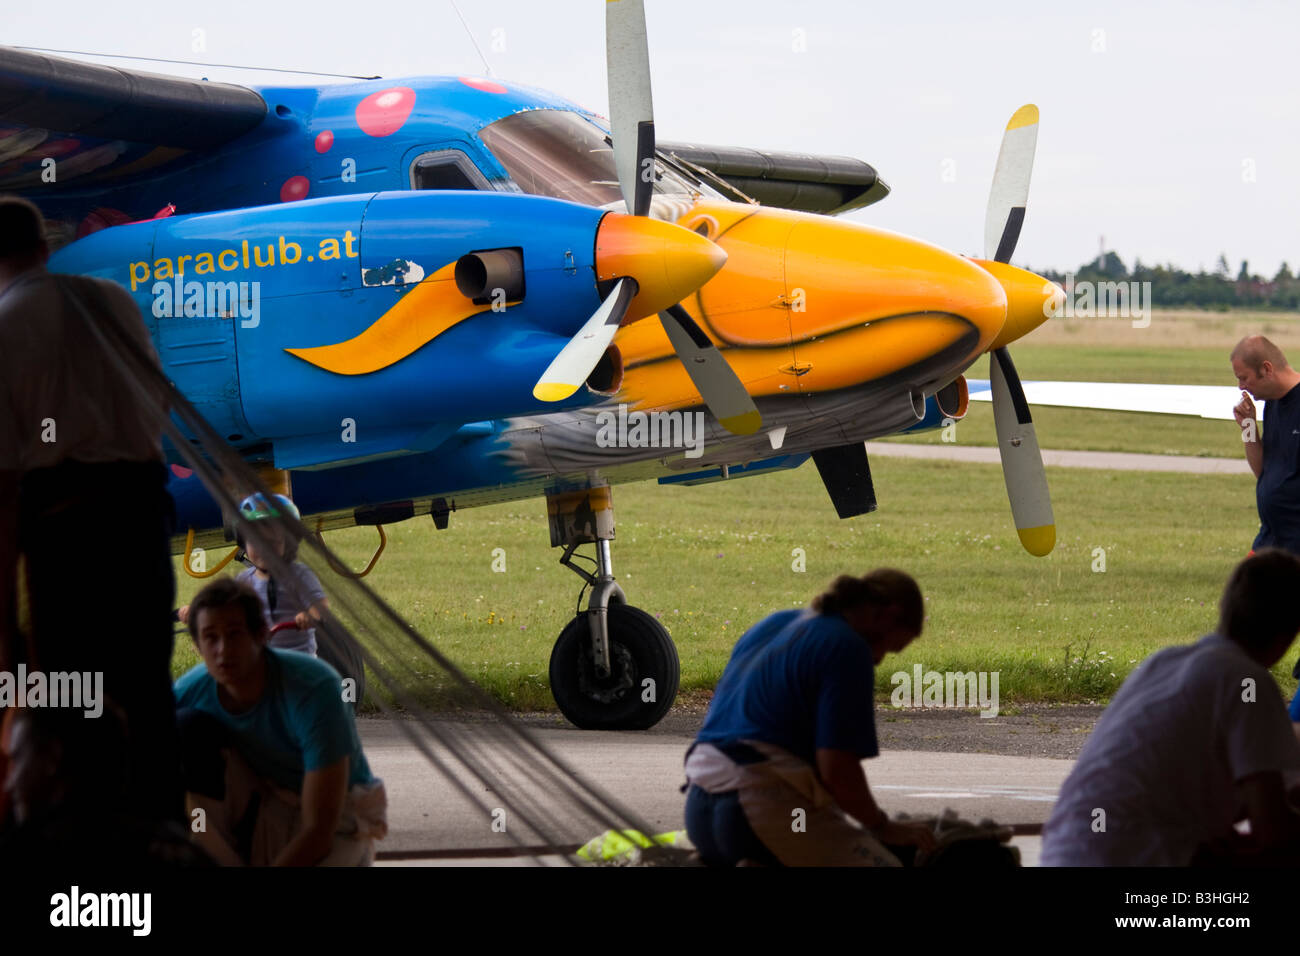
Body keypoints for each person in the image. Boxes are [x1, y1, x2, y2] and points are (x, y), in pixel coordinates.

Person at [0, 195, 181, 824]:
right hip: (142, 515)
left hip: (66, 531)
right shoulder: (113, 300)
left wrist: (5, 626)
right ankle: (160, 835)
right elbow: (156, 411)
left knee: (71, 702)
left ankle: (82, 856)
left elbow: (3, 491)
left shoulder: (6, 325)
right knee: (146, 689)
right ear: (44, 248)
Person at [1041, 550, 1300, 866]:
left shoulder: (1162, 663)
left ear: (1226, 607)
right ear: (1288, 633)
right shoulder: (1246, 681)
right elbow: (1272, 830)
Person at [683, 569, 938, 866]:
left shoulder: (775, 624)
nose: (878, 659)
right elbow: (838, 768)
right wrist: (882, 826)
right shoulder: (847, 646)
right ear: (889, 615)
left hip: (701, 806)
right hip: (760, 807)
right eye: (887, 648)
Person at [174, 577, 386, 865]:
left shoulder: (315, 688)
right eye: (211, 637)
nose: (223, 650)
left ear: (261, 634)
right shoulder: (190, 691)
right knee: (184, 730)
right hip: (263, 800)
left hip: (339, 818)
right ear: (197, 644)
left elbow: (319, 829)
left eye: (235, 634)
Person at [178, 493, 329, 657]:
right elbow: (223, 606)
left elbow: (320, 603)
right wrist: (196, 610)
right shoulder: (244, 580)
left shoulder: (299, 575)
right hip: (258, 658)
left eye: (272, 542)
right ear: (244, 542)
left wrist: (309, 615)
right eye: (255, 542)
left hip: (299, 657)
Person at [1231, 335, 1300, 556]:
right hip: (1271, 537)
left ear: (1267, 369)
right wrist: (1249, 427)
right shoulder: (1272, 402)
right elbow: (1264, 470)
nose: (1241, 386)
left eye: (1244, 378)